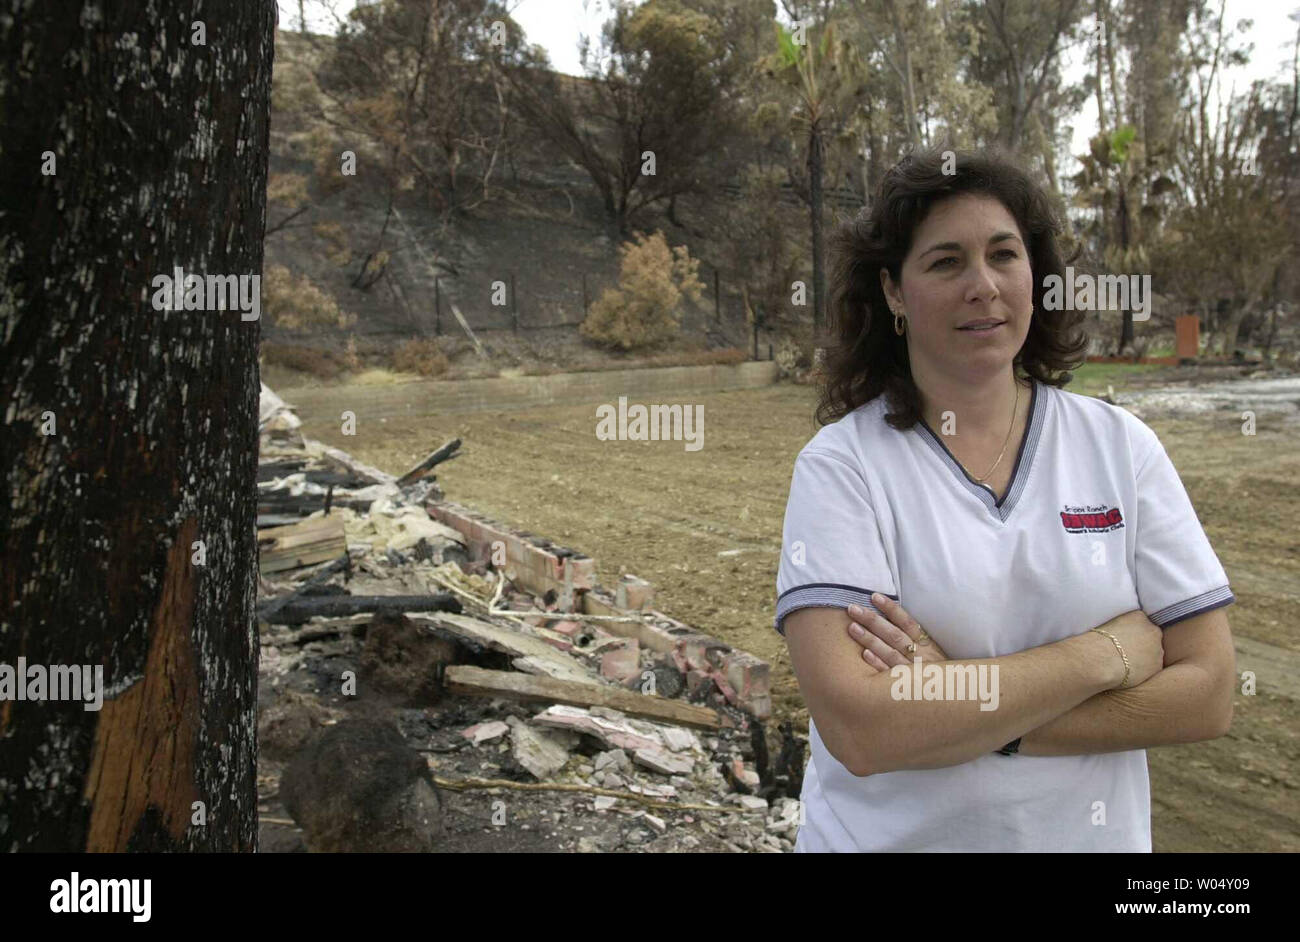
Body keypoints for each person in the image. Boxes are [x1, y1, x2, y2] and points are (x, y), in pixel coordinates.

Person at [774, 148, 1236, 852]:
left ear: (1036, 277)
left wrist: (964, 705)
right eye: (945, 262)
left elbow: (1208, 694)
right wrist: (1103, 655)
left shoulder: (1121, 448)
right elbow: (865, 729)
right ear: (894, 292)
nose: (983, 285)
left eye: (1003, 255)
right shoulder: (844, 469)